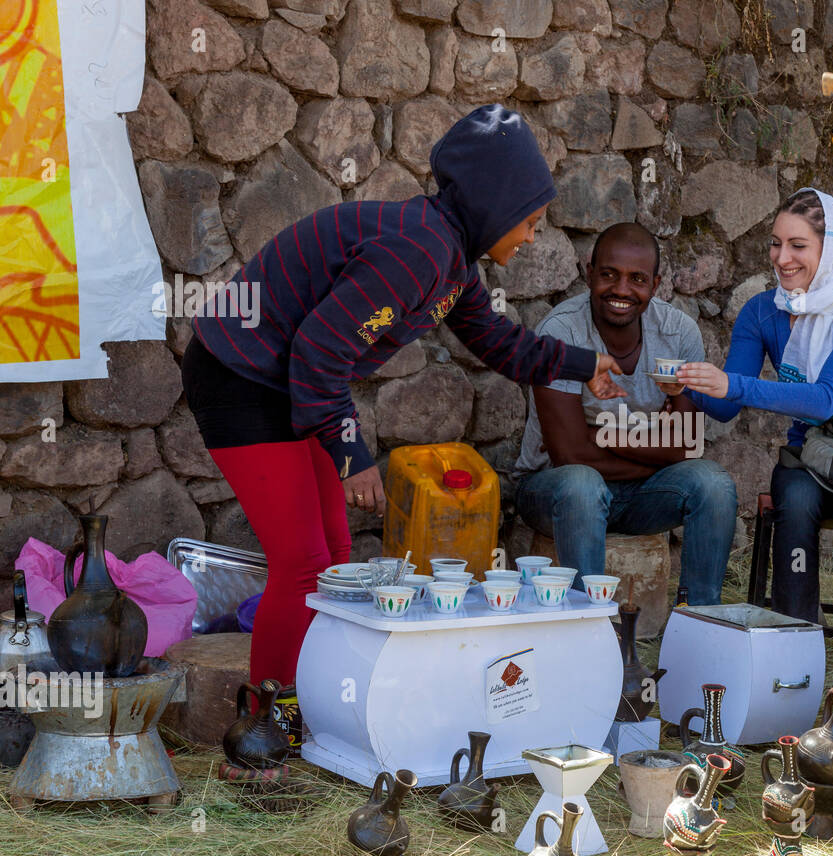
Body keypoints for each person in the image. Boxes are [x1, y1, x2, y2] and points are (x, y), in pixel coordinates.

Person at [182, 105, 624, 687]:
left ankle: (321, 697)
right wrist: (352, 458)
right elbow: (320, 351)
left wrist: (585, 363)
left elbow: (501, 344)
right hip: (239, 374)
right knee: (303, 565)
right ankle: (268, 729)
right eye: (530, 220)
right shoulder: (417, 252)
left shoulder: (453, 262)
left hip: (287, 377)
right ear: (496, 206)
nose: (532, 236)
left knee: (335, 553)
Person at [677, 188, 833, 623]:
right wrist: (682, 385)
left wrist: (732, 385)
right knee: (794, 496)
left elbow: (826, 398)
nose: (782, 257)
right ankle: (796, 635)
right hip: (816, 454)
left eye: (798, 245)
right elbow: (726, 407)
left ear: (831, 251)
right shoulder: (761, 312)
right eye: (775, 243)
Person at [512, 222, 737, 604]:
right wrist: (656, 448)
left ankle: (700, 621)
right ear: (589, 274)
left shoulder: (678, 332)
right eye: (609, 275)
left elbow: (684, 446)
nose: (621, 290)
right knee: (582, 484)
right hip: (553, 489)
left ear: (655, 283)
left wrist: (600, 436)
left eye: (637, 279)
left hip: (642, 497)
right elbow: (568, 456)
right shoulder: (562, 331)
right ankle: (588, 626)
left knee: (712, 483)